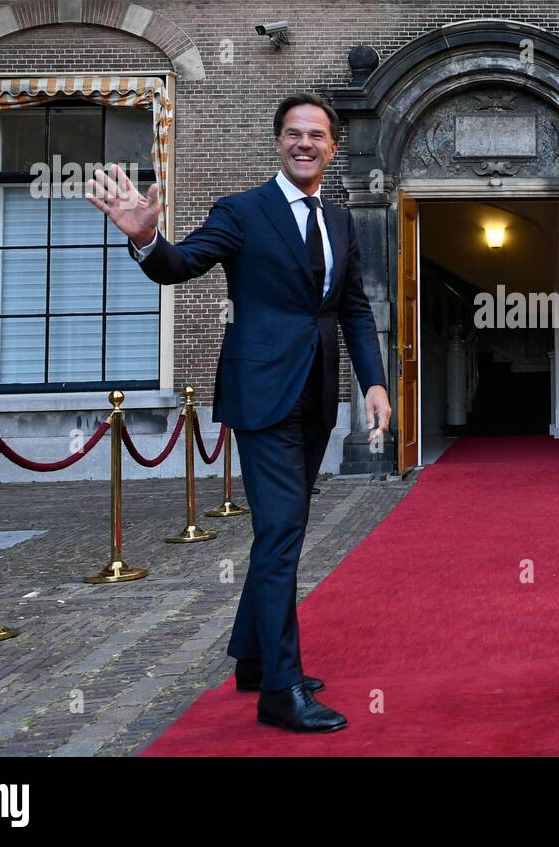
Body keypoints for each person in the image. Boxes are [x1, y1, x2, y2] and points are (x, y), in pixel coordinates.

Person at [87, 92, 392, 733]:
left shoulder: (340, 221)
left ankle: (253, 658)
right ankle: (280, 691)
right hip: (260, 398)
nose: (304, 143)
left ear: (333, 147)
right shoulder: (242, 211)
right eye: (293, 133)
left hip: (316, 397)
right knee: (281, 534)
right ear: (278, 142)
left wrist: (374, 383)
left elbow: (354, 309)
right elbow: (182, 264)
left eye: (317, 134)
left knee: (284, 529)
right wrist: (146, 238)